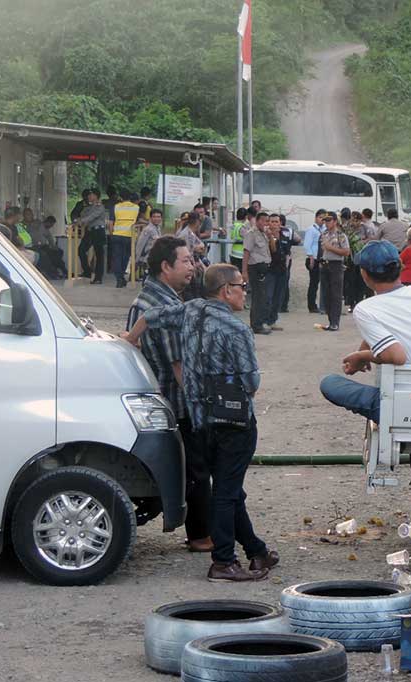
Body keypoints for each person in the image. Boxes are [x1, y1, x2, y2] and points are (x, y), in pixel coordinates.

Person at [124, 264, 278, 582]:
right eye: (242, 285)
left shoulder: (190, 310)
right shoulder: (237, 330)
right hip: (234, 422)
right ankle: (223, 561)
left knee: (229, 489)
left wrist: (130, 339)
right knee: (226, 491)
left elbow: (150, 318)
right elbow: (251, 382)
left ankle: (256, 550)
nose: (245, 291)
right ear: (226, 290)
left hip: (200, 420)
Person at [126, 236, 213, 553]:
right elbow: (181, 368)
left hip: (158, 401)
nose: (193, 267)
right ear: (166, 266)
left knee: (191, 468)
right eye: (187, 261)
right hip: (177, 404)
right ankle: (202, 535)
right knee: (197, 470)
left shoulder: (142, 301)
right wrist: (202, 408)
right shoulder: (166, 308)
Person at [320, 241, 411, 422]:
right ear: (400, 267)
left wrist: (362, 356)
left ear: (364, 274)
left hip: (407, 404)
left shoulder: (365, 309)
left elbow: (397, 357)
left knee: (329, 383)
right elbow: (390, 324)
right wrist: (362, 352)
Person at [243, 211, 274, 335]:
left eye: (267, 221)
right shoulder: (251, 234)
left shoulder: (264, 234)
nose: (266, 224)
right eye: (264, 221)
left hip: (264, 268)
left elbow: (271, 249)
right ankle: (256, 325)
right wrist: (244, 271)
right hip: (255, 268)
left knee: (263, 296)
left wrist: (270, 236)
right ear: (257, 221)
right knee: (257, 297)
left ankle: (260, 322)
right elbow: (246, 253)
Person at [319, 212, 350, 331]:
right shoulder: (324, 234)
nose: (326, 223)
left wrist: (330, 248)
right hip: (325, 264)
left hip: (336, 265)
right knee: (326, 294)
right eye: (325, 221)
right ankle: (330, 320)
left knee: (335, 294)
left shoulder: (340, 235)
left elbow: (346, 252)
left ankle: (335, 322)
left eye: (329, 220)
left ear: (335, 221)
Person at [74, 188, 110, 284]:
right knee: (81, 250)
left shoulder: (100, 206)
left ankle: (98, 278)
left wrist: (81, 221)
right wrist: (77, 221)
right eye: (88, 195)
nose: (89, 197)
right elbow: (82, 215)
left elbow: (91, 217)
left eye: (91, 195)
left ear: (96, 196)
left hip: (98, 231)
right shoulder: (87, 207)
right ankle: (87, 271)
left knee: (99, 255)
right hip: (89, 231)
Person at [264, 213, 292, 331]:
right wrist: (271, 237)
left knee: (278, 297)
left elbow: (287, 251)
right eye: (272, 222)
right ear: (268, 223)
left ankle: (272, 321)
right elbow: (273, 250)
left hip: (282, 270)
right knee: (268, 296)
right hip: (270, 270)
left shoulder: (284, 235)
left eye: (276, 222)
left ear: (280, 223)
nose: (274, 224)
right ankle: (264, 320)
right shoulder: (265, 236)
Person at [110, 191, 140, 288]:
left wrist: (111, 234)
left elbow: (111, 223)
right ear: (130, 197)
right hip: (129, 236)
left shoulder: (116, 207)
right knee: (126, 257)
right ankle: (122, 276)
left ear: (121, 197)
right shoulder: (136, 208)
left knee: (117, 258)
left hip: (117, 235)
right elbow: (139, 220)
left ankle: (119, 279)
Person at [304, 210, 325, 314]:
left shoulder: (324, 229)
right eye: (320, 218)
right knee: (314, 283)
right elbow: (307, 245)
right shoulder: (311, 230)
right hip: (313, 259)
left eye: (324, 218)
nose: (322, 220)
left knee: (323, 282)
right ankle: (311, 306)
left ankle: (322, 304)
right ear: (316, 218)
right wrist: (311, 257)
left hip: (322, 259)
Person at [135, 209, 164, 279]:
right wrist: (137, 260)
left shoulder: (157, 228)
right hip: (148, 258)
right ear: (150, 218)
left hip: (155, 258)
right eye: (154, 217)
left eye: (159, 217)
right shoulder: (148, 229)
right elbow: (140, 245)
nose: (157, 219)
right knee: (147, 279)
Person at [229, 208, 247, 272]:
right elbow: (247, 239)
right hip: (241, 256)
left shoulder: (234, 225)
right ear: (245, 217)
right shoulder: (242, 227)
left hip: (233, 253)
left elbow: (231, 236)